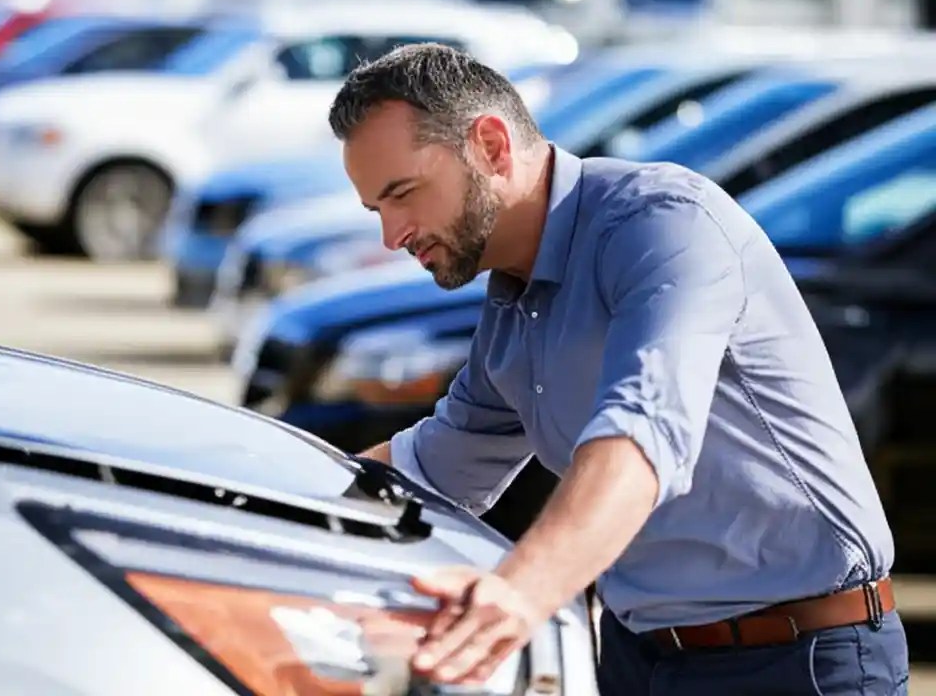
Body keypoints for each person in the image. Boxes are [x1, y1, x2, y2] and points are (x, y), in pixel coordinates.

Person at [327, 43, 908, 694]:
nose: (392, 235)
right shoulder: (512, 306)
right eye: (377, 211)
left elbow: (644, 432)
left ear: (490, 145)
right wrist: (249, 490)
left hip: (798, 660)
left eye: (403, 193)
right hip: (638, 661)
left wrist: (521, 592)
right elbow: (428, 470)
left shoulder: (664, 223)